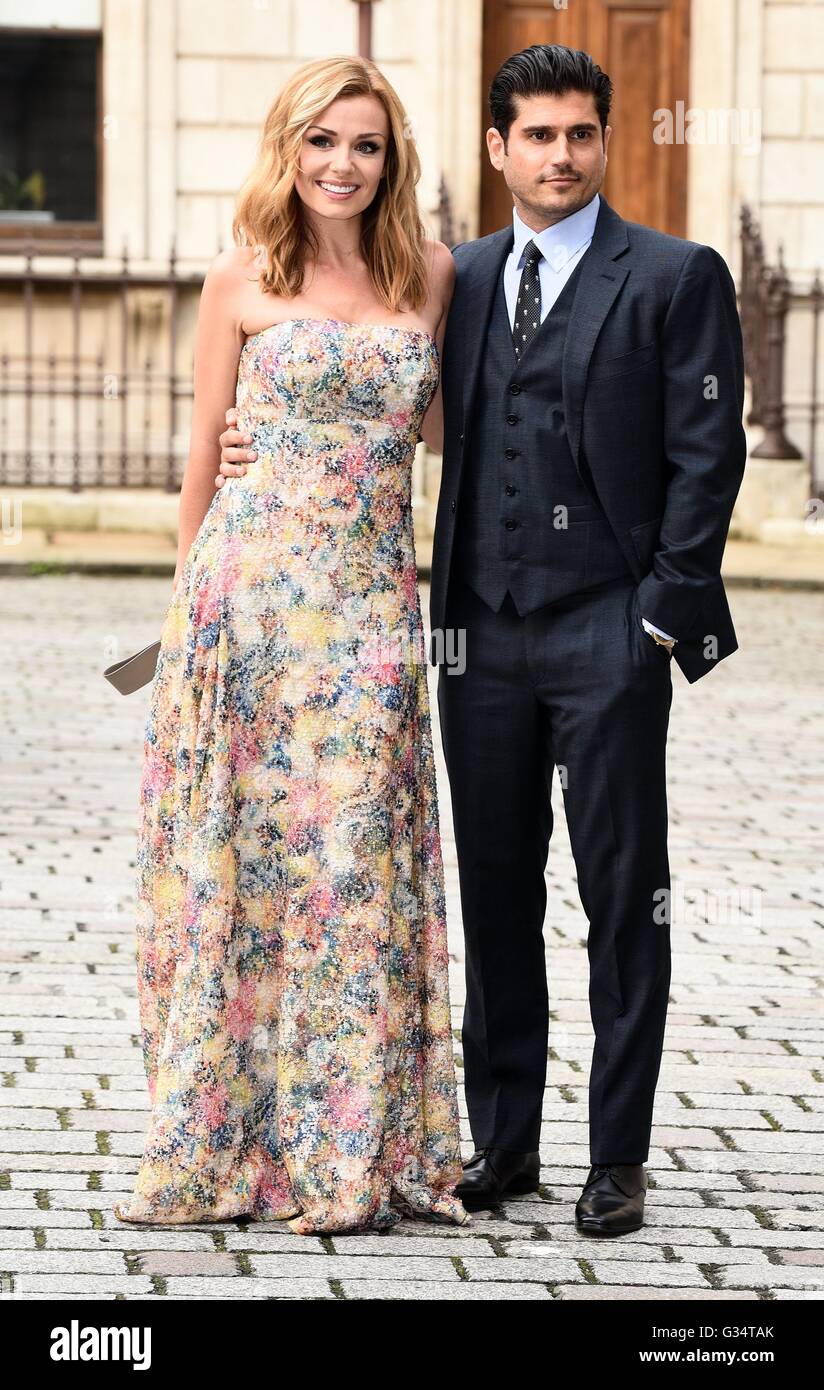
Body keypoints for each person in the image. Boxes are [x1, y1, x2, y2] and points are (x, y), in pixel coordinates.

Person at [217, 44, 747, 1238]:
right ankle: (502, 1147)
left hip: (611, 633)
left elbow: (709, 454)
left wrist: (660, 614)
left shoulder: (673, 274)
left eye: (580, 134)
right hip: (473, 639)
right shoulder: (450, 278)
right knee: (495, 894)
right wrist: (260, 450)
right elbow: (364, 390)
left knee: (623, 897)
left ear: (602, 143)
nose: (560, 155)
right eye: (537, 136)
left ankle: (615, 1158)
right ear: (497, 149)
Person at [115, 54, 470, 1236]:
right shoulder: (239, 278)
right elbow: (203, 448)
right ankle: (236, 1141)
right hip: (249, 606)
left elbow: (438, 429)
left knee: (352, 872)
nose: (340, 164)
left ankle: (352, 1148)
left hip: (371, 612)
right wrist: (183, 615)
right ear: (288, 147)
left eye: (363, 144)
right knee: (252, 865)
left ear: (391, 159)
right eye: (320, 140)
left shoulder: (431, 274)